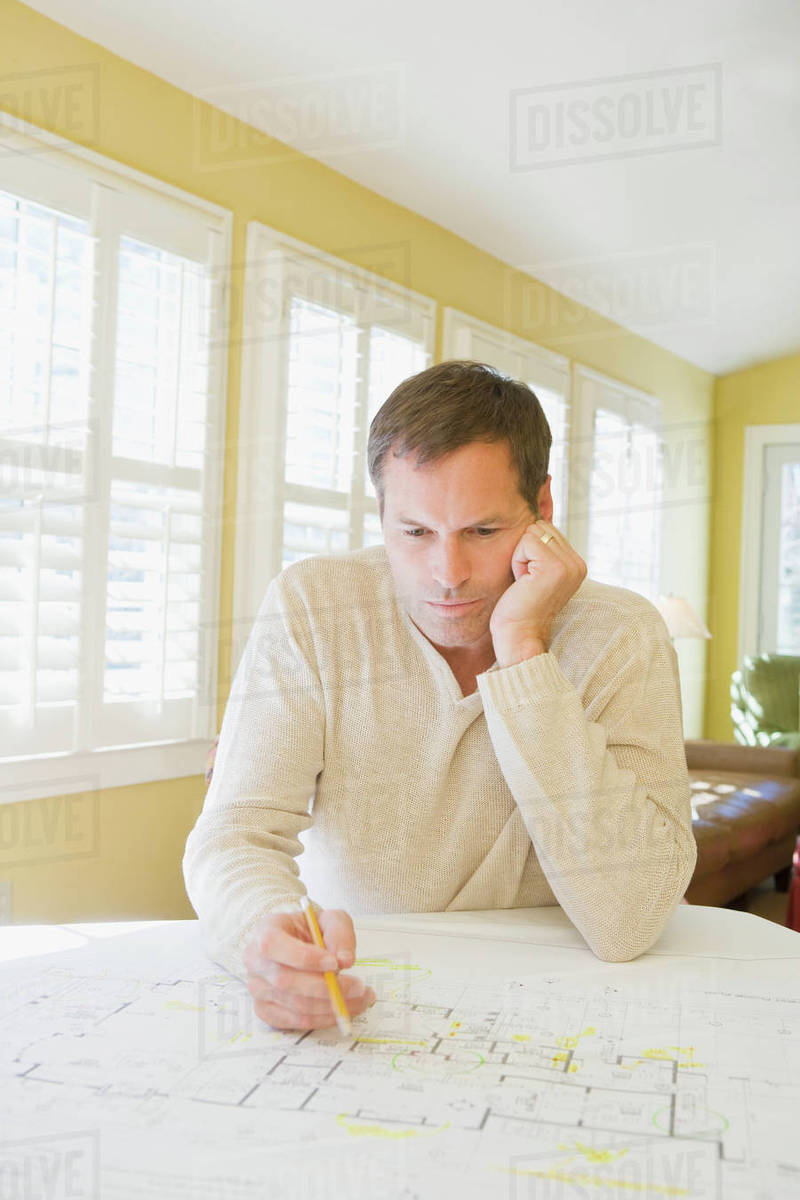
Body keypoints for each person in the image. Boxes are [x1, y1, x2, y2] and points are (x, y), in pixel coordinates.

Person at [182, 360, 696, 1032]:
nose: (448, 576)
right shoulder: (314, 605)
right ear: (381, 513)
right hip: (366, 995)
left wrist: (523, 652)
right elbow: (233, 835)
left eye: (482, 532)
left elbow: (630, 916)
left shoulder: (623, 634)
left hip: (563, 1006)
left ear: (542, 509)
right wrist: (262, 931)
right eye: (415, 532)